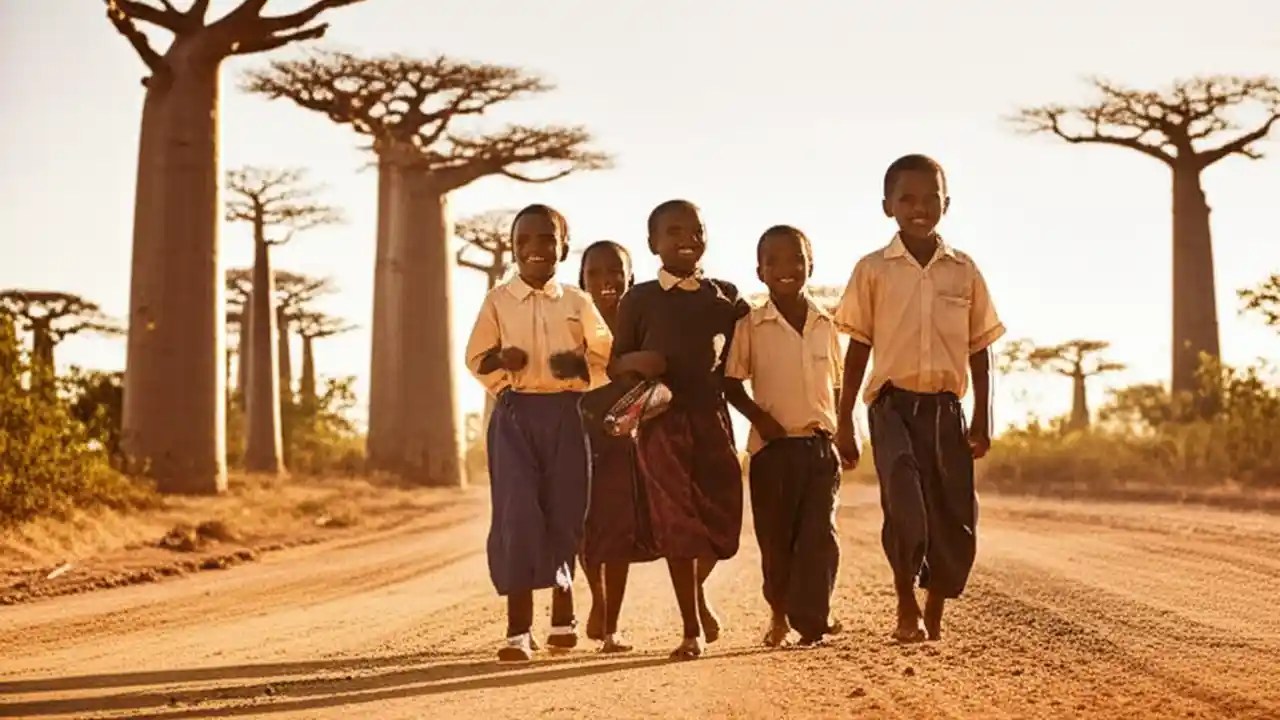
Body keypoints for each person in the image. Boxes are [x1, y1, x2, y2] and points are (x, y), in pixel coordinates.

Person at [832, 154, 1005, 643]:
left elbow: (981, 350)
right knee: (906, 505)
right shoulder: (872, 270)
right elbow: (857, 347)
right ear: (887, 206)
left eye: (931, 198)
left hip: (946, 410)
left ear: (947, 203)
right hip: (892, 409)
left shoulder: (964, 270)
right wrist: (845, 421)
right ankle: (905, 602)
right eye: (906, 198)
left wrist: (982, 417)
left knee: (952, 515)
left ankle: (933, 613)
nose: (919, 207)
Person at [464, 204, 612, 662]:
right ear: (513, 248)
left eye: (547, 239)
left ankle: (562, 619)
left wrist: (580, 368)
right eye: (524, 240)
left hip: (567, 414)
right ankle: (518, 629)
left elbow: (605, 355)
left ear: (564, 248)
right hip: (514, 416)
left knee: (564, 513)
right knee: (519, 516)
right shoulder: (496, 301)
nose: (536, 248)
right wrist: (502, 363)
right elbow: (476, 359)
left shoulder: (577, 303)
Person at [608, 199, 750, 660]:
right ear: (653, 244)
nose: (686, 238)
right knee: (680, 524)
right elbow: (615, 364)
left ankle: (697, 592)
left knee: (724, 526)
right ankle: (691, 630)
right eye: (673, 232)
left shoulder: (725, 296)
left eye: (696, 230)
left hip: (714, 418)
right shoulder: (639, 298)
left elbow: (752, 346)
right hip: (661, 422)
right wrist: (640, 365)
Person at [724, 225, 846, 648]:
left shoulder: (827, 323)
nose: (786, 268)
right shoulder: (752, 325)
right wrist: (759, 419)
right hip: (772, 451)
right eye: (773, 260)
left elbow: (836, 386)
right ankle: (778, 614)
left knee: (820, 536)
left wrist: (845, 431)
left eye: (796, 259)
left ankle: (813, 620)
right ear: (760, 271)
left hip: (818, 447)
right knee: (776, 541)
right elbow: (731, 383)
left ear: (810, 265)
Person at [576, 240, 658, 653]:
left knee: (621, 531)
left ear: (630, 277)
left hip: (625, 437)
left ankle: (612, 625)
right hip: (579, 433)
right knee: (586, 531)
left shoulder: (641, 321)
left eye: (615, 271)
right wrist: (623, 365)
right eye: (595, 273)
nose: (606, 280)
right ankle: (597, 596)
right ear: (582, 280)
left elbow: (655, 365)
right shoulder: (571, 322)